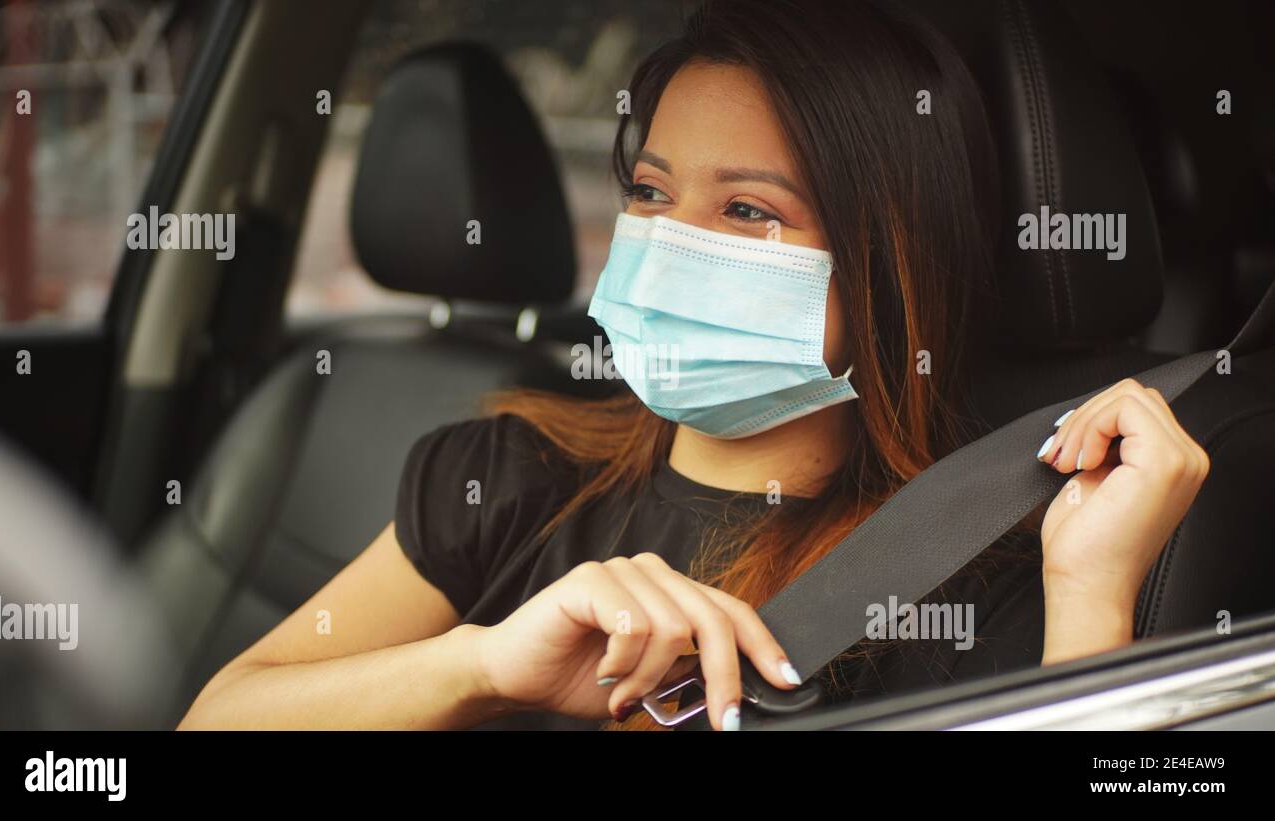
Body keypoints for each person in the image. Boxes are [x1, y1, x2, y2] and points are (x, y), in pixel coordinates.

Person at [179, 0, 1210, 731]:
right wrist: (485, 665)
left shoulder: (971, 564)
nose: (670, 243)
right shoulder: (506, 469)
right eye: (651, 192)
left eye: (748, 210)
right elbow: (217, 718)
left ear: (888, 267)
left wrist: (1087, 597)